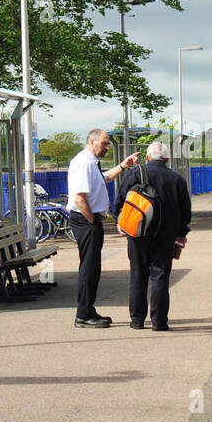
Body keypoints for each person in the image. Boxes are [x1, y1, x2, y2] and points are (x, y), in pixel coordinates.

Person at [112, 139, 192, 331]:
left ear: (147, 157)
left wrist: (119, 221)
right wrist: (181, 234)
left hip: (138, 234)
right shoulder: (177, 180)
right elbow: (185, 212)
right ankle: (159, 322)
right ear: (167, 159)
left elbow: (120, 200)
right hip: (165, 236)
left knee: (138, 274)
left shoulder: (135, 174)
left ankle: (137, 320)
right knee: (160, 277)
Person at [65, 129, 137, 328]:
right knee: (89, 268)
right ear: (91, 141)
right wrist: (91, 221)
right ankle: (83, 314)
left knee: (93, 267)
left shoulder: (91, 163)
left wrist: (123, 165)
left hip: (89, 220)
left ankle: (88, 309)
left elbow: (104, 178)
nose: (107, 148)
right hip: (85, 220)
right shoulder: (83, 162)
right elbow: (80, 198)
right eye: (104, 144)